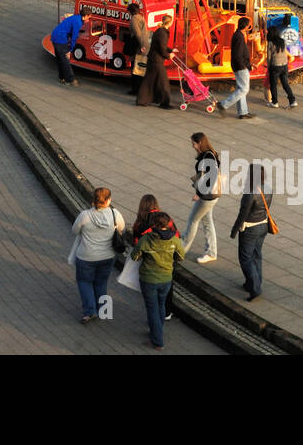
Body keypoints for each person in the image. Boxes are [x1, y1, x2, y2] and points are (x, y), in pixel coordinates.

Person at [131, 211, 185, 349]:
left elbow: (135, 257)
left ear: (154, 224)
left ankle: (157, 340)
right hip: (166, 278)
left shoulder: (146, 239)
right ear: (168, 224)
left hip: (149, 279)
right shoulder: (174, 240)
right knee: (161, 305)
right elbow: (180, 257)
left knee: (152, 309)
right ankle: (158, 330)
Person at [70, 186, 124, 323]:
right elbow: (121, 228)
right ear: (108, 200)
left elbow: (75, 230)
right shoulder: (114, 214)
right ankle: (104, 310)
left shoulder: (85, 215)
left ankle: (90, 311)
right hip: (107, 256)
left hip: (86, 256)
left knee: (84, 282)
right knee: (101, 283)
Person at [229, 163, 273, 302]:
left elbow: (243, 213)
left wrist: (234, 230)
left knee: (245, 258)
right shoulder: (268, 188)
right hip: (263, 225)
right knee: (256, 255)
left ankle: (255, 288)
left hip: (250, 228)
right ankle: (254, 282)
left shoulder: (250, 192)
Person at [185, 132, 221, 265]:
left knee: (192, 221)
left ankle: (182, 249)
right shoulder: (211, 153)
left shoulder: (208, 157)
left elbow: (211, 177)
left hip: (207, 197)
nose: (192, 146)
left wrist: (199, 194)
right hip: (211, 196)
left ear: (200, 143)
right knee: (207, 222)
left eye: (193, 143)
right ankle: (211, 252)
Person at [219, 17, 255, 119]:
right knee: (244, 89)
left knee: (240, 88)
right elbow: (238, 54)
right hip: (240, 67)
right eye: (249, 25)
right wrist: (244, 66)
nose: (250, 27)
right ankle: (223, 104)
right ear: (246, 26)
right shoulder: (239, 36)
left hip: (240, 65)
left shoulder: (239, 35)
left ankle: (243, 112)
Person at [135, 14, 175, 109]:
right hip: (157, 61)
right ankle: (164, 102)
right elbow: (161, 47)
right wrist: (168, 56)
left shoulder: (160, 31)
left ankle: (142, 100)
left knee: (149, 81)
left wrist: (171, 50)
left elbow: (161, 45)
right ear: (170, 22)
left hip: (153, 59)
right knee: (163, 82)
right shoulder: (163, 33)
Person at [49, 7, 92, 86]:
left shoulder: (76, 17)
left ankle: (62, 77)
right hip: (60, 39)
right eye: (89, 17)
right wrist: (70, 50)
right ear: (85, 16)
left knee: (60, 58)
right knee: (65, 60)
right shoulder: (78, 22)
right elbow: (74, 37)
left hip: (55, 36)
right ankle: (70, 80)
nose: (89, 19)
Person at [265, 24, 297, 108]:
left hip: (275, 66)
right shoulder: (282, 41)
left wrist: (268, 68)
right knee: (285, 84)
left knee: (273, 84)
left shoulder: (270, 43)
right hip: (284, 65)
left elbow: (269, 57)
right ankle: (292, 100)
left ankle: (275, 102)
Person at [124, 1, 150, 96]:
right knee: (140, 67)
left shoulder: (134, 19)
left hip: (139, 46)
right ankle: (139, 88)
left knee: (135, 68)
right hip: (144, 44)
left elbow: (137, 34)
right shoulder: (141, 17)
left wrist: (142, 46)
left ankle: (135, 89)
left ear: (130, 11)